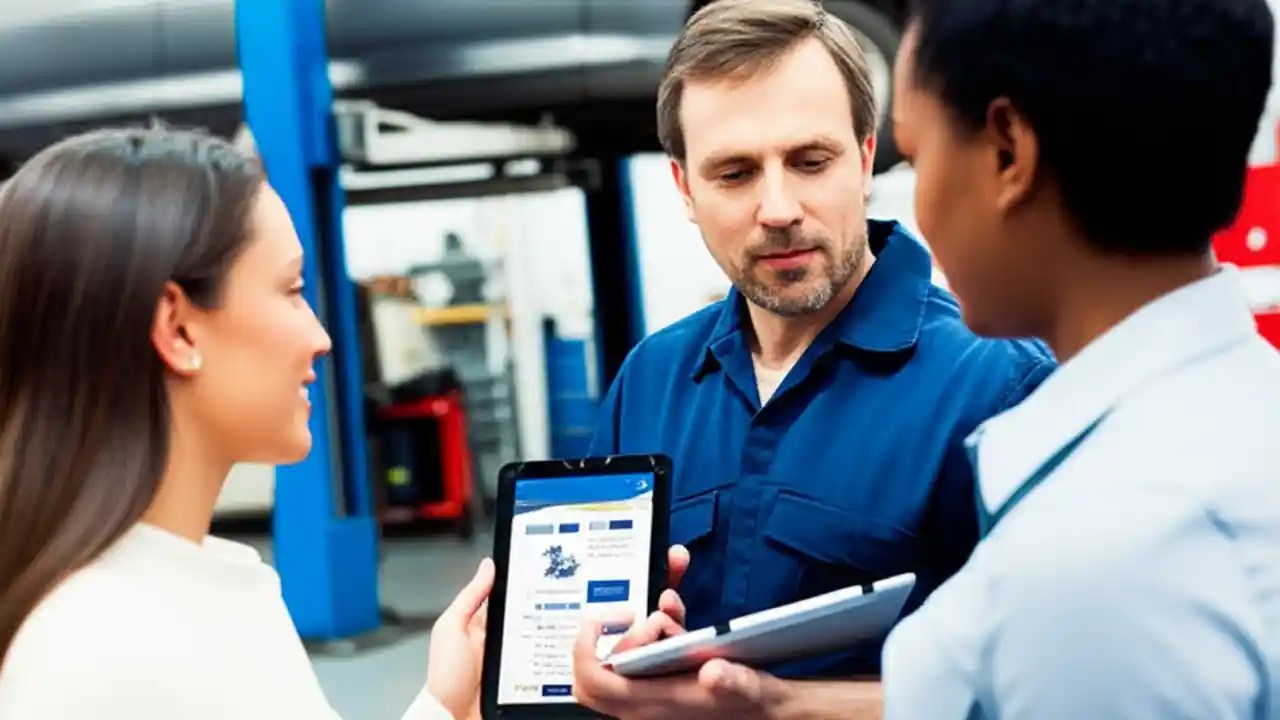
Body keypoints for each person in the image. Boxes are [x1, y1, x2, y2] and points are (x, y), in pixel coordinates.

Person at [572, 0, 1055, 717]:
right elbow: (583, 640)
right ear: (684, 188)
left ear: (864, 159)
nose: (778, 208)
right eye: (735, 173)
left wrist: (783, 705)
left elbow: (1054, 691)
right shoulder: (650, 380)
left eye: (809, 161)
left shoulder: (998, 386)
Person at [871, 0, 1279, 717]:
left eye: (915, 153)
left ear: (1008, 152)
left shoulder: (1101, 558)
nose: (919, 206)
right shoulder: (1240, 416)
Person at [0, 127, 489, 719]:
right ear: (178, 330)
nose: (320, 337)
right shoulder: (99, 657)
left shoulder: (189, 589)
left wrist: (445, 705)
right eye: (291, 289)